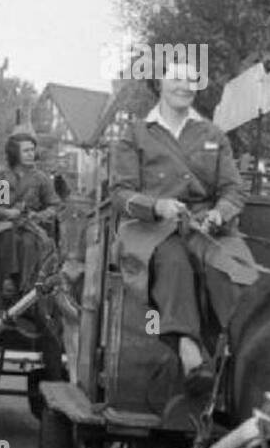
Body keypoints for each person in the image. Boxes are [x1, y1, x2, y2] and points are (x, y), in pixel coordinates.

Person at [109, 57, 259, 400]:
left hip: (204, 227)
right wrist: (156, 206)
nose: (185, 86)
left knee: (234, 271)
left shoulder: (212, 135)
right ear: (158, 83)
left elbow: (233, 189)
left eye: (192, 79)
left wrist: (220, 214)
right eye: (176, 78)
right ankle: (190, 351)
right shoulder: (135, 134)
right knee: (173, 262)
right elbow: (120, 193)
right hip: (151, 231)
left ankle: (238, 354)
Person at [0, 133, 60, 302]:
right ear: (14, 153)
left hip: (28, 226)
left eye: (33, 150)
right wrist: (6, 213)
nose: (31, 154)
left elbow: (55, 206)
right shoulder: (0, 178)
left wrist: (39, 215)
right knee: (8, 232)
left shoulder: (41, 179)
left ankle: (27, 289)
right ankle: (8, 279)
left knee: (30, 242)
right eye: (26, 151)